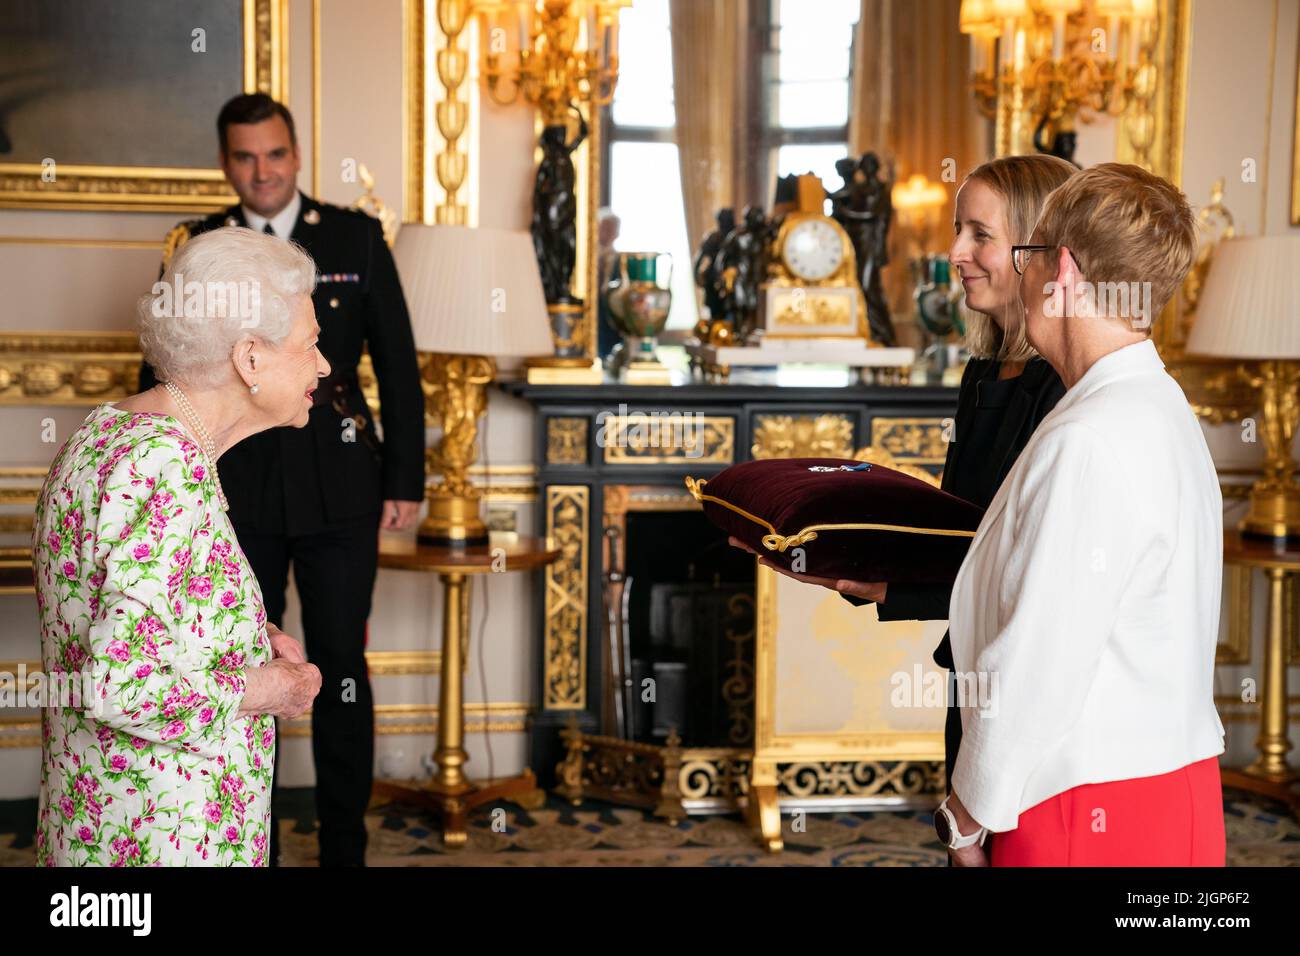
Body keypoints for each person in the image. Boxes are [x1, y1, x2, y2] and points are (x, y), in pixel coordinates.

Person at [140, 92, 426, 867]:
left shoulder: (355, 238)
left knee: (336, 670)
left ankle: (344, 849)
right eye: (243, 156)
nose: (260, 172)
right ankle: (248, 847)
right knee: (240, 669)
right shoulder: (201, 246)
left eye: (273, 154)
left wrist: (406, 476)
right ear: (225, 161)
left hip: (340, 488)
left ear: (295, 156)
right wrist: (177, 479)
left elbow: (396, 367)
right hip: (236, 495)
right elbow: (164, 372)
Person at [732, 154, 1077, 796]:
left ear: (1038, 248)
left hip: (1030, 687)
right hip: (973, 664)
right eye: (956, 230)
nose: (955, 253)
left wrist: (890, 588)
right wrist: (862, 572)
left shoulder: (1064, 389)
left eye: (980, 235)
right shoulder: (983, 373)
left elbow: (1032, 577)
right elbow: (962, 544)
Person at [941, 163, 1225, 866]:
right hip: (1173, 784)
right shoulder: (1158, 407)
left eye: (1029, 254)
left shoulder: (1088, 438)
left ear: (1060, 271)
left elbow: (1040, 657)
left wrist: (967, 815)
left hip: (1087, 802)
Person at [34, 228, 324, 866]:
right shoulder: (159, 464)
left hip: (110, 823)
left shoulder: (114, 432)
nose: (324, 365)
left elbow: (143, 609)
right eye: (311, 345)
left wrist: (249, 630)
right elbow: (123, 684)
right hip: (163, 839)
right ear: (250, 359)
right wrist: (267, 689)